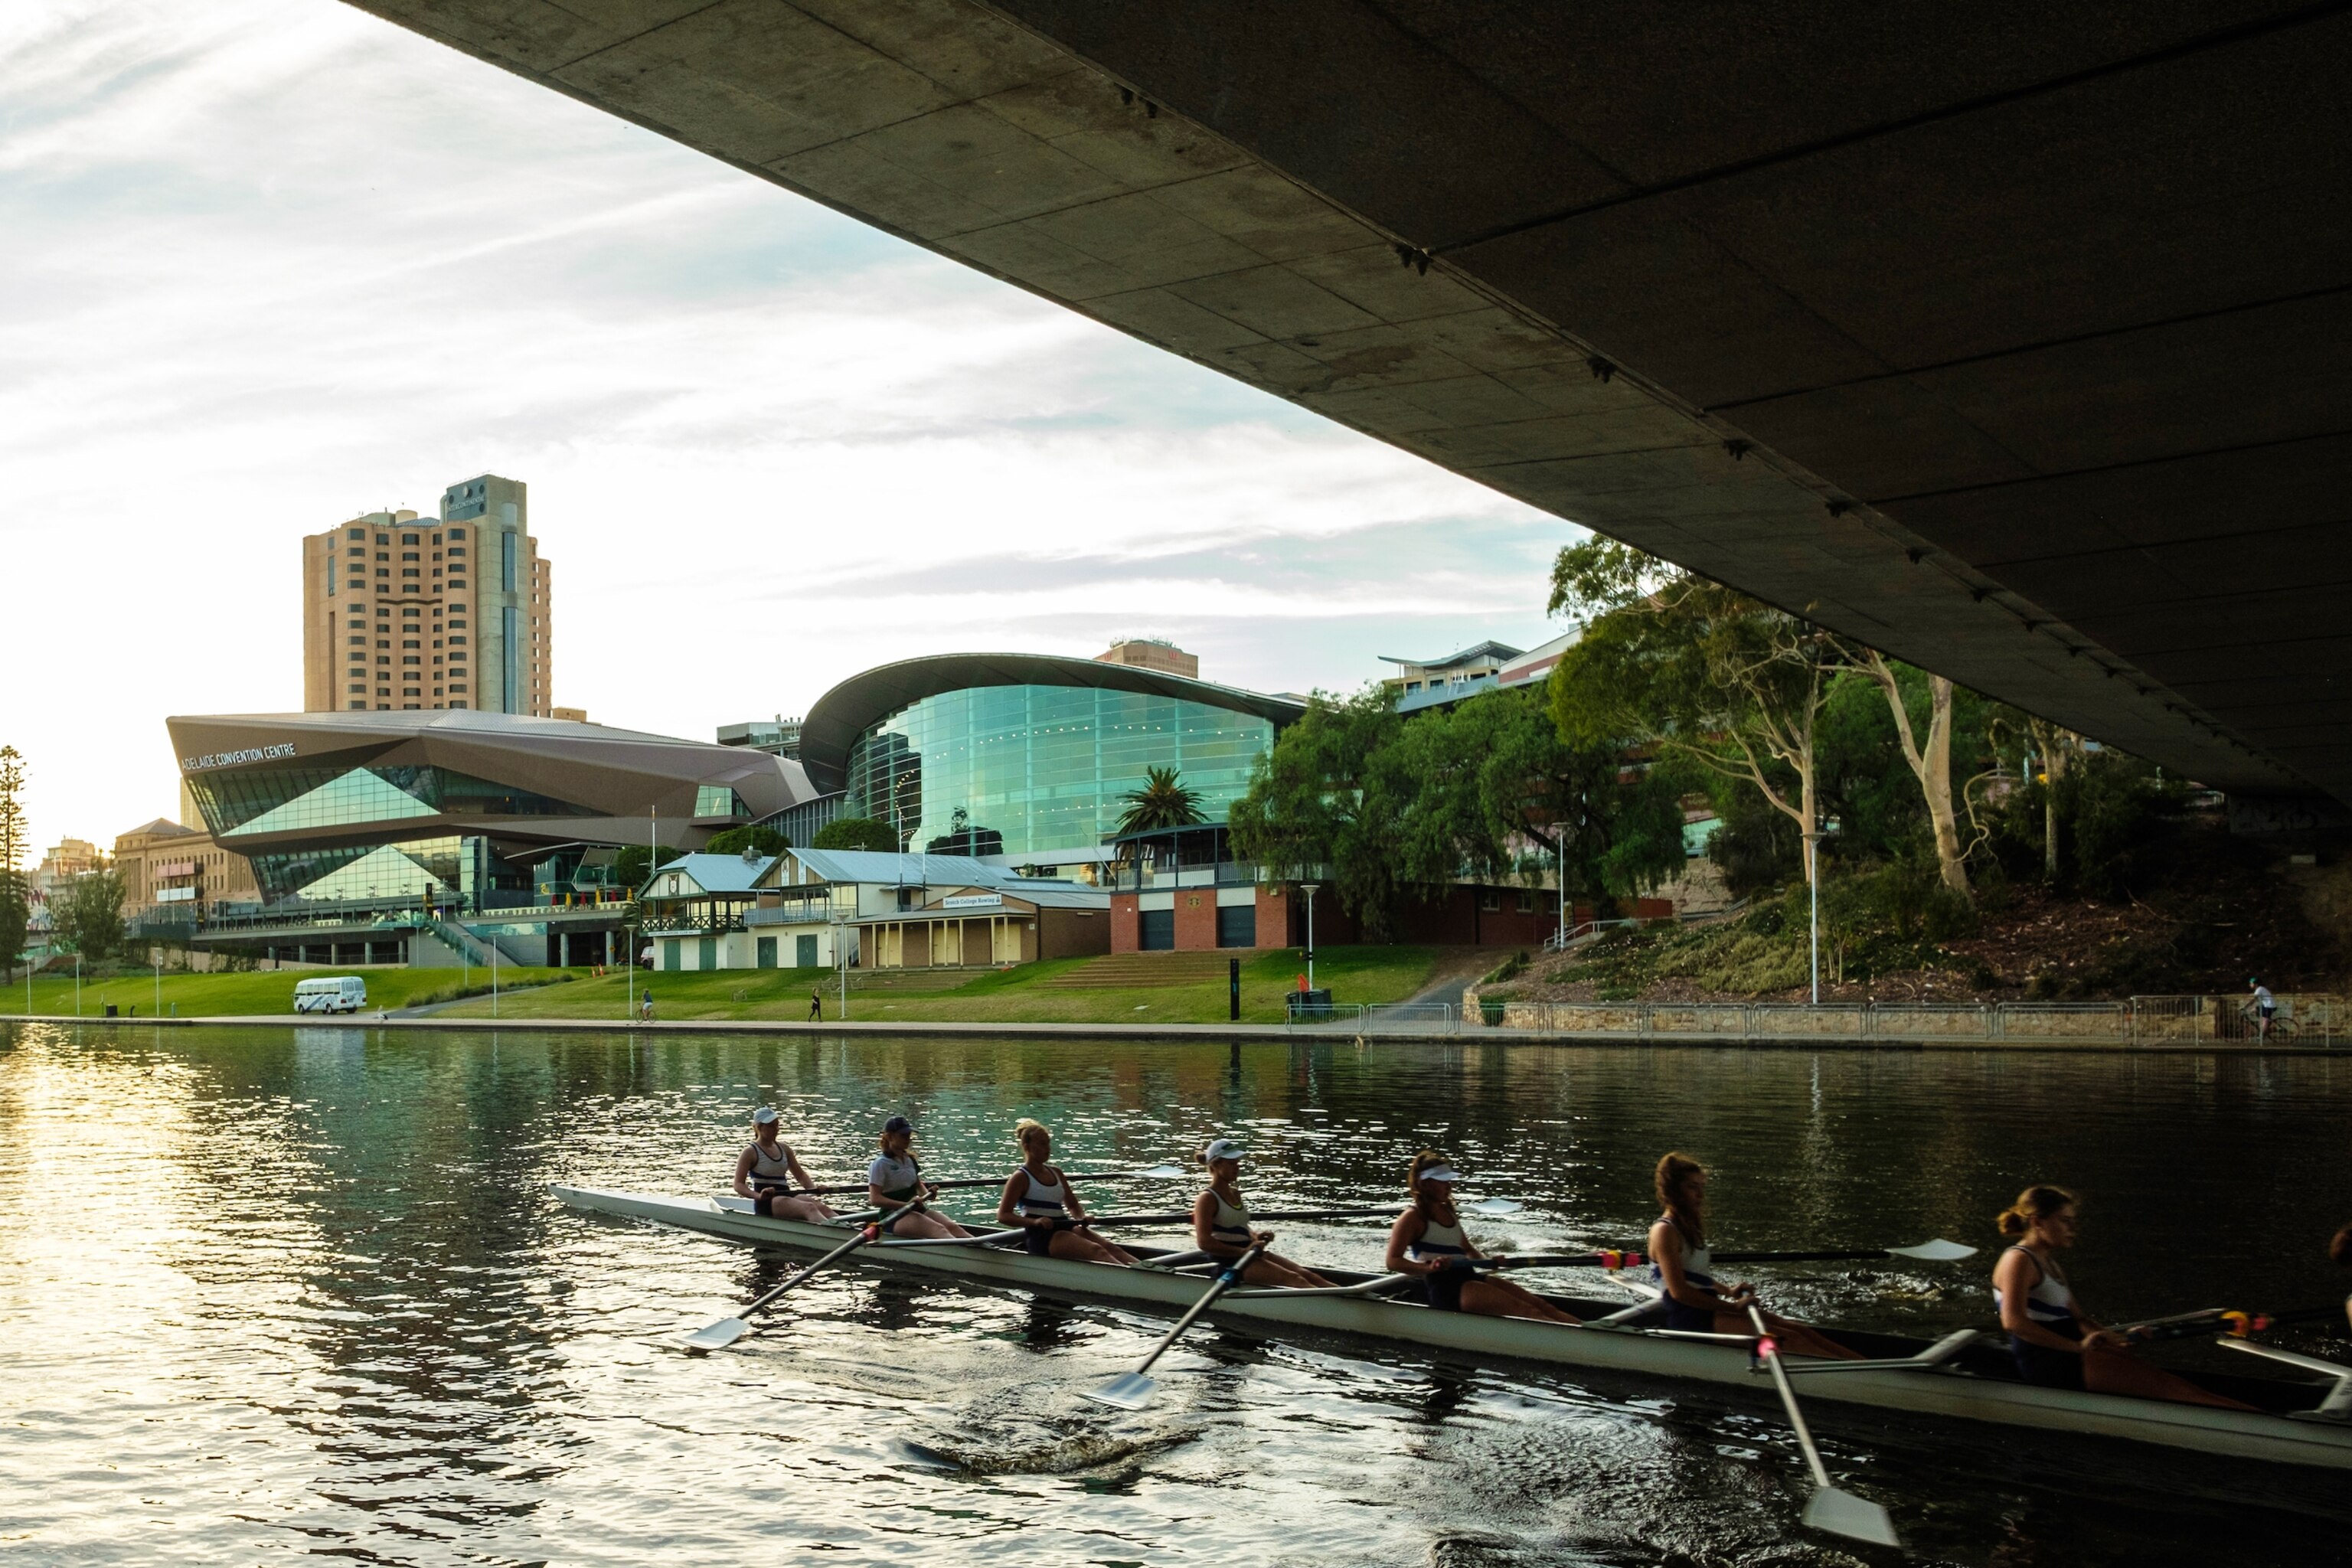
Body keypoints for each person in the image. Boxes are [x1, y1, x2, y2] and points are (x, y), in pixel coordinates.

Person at [1992, 1184, 2249, 1407]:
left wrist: (2121, 1339)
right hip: (2049, 1362)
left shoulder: (2050, 1264)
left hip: (2074, 1354)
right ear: (2037, 1222)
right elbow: (2014, 1323)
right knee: (2179, 1393)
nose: (2074, 1228)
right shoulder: (2018, 1260)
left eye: (2074, 1221)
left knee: (2178, 1386)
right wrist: (2077, 1347)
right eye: (2065, 1221)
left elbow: (2080, 1320)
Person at [1649, 1152, 1859, 1359]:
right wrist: (1733, 1307)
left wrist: (1729, 1291)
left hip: (1707, 1311)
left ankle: (1869, 1367)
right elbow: (1680, 1292)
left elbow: (1694, 1277)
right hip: (1690, 1319)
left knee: (1800, 1330)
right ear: (1674, 1191)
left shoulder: (1687, 1227)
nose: (1700, 1195)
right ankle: (1865, 1381)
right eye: (1692, 1188)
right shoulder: (1664, 1231)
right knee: (1790, 1339)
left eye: (1702, 1187)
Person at [1385, 1151, 1576, 1323]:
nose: (1449, 1185)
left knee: (1542, 1306)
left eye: (1449, 1180)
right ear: (1425, 1184)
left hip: (1469, 1277)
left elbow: (1467, 1250)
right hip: (1448, 1288)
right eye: (1442, 1181)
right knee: (1528, 1312)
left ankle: (1587, 1329)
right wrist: (1428, 1267)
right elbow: (1393, 1261)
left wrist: (1488, 1263)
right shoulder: (1412, 1217)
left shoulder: (1448, 1211)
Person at [1190, 1138, 1333, 1289]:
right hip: (1228, 1262)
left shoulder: (1235, 1193)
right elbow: (1204, 1243)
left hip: (1249, 1253)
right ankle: (1334, 1311)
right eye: (1231, 1164)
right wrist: (1243, 1251)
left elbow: (1239, 1225)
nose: (1237, 1168)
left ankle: (1353, 1298)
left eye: (1237, 1163)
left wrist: (1255, 1236)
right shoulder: (1207, 1198)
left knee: (1310, 1276)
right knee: (1295, 1280)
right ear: (1216, 1164)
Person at [995, 1119, 1136, 1266]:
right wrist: (1034, 1221)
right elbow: (1003, 1216)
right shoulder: (1020, 1177)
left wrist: (1082, 1218)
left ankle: (1153, 1273)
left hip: (1065, 1226)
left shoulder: (1056, 1172)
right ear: (1027, 1146)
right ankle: (1136, 1282)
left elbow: (1073, 1206)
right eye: (1042, 1144)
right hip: (1043, 1236)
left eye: (1048, 1143)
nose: (1048, 1148)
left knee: (1111, 1248)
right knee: (1097, 1251)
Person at [868, 1115, 970, 1240]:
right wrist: (905, 1204)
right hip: (893, 1217)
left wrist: (929, 1194)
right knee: (939, 1230)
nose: (908, 1139)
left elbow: (918, 1185)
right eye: (903, 1135)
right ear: (889, 1136)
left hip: (915, 1209)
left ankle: (985, 1250)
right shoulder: (880, 1164)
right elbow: (875, 1199)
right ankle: (962, 1256)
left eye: (909, 1135)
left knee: (953, 1227)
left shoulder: (909, 1160)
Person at [733, 1107, 835, 1222]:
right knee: (809, 1208)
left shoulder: (784, 1148)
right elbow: (738, 1185)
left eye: (777, 1125)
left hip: (786, 1196)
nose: (776, 1129)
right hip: (767, 1202)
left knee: (821, 1207)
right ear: (759, 1127)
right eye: (771, 1126)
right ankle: (834, 1233)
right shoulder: (750, 1152)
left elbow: (800, 1176)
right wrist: (758, 1196)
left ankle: (850, 1228)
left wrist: (814, 1189)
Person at [2245, 978, 2277, 1042]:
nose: (2250, 985)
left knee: (2265, 1020)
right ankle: (2265, 1025)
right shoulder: (2260, 989)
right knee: (2255, 1009)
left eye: (2251, 983)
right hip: (2266, 1005)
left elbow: (2254, 999)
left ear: (2256, 984)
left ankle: (2261, 1037)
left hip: (2269, 1006)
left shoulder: (2259, 989)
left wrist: (2246, 1006)